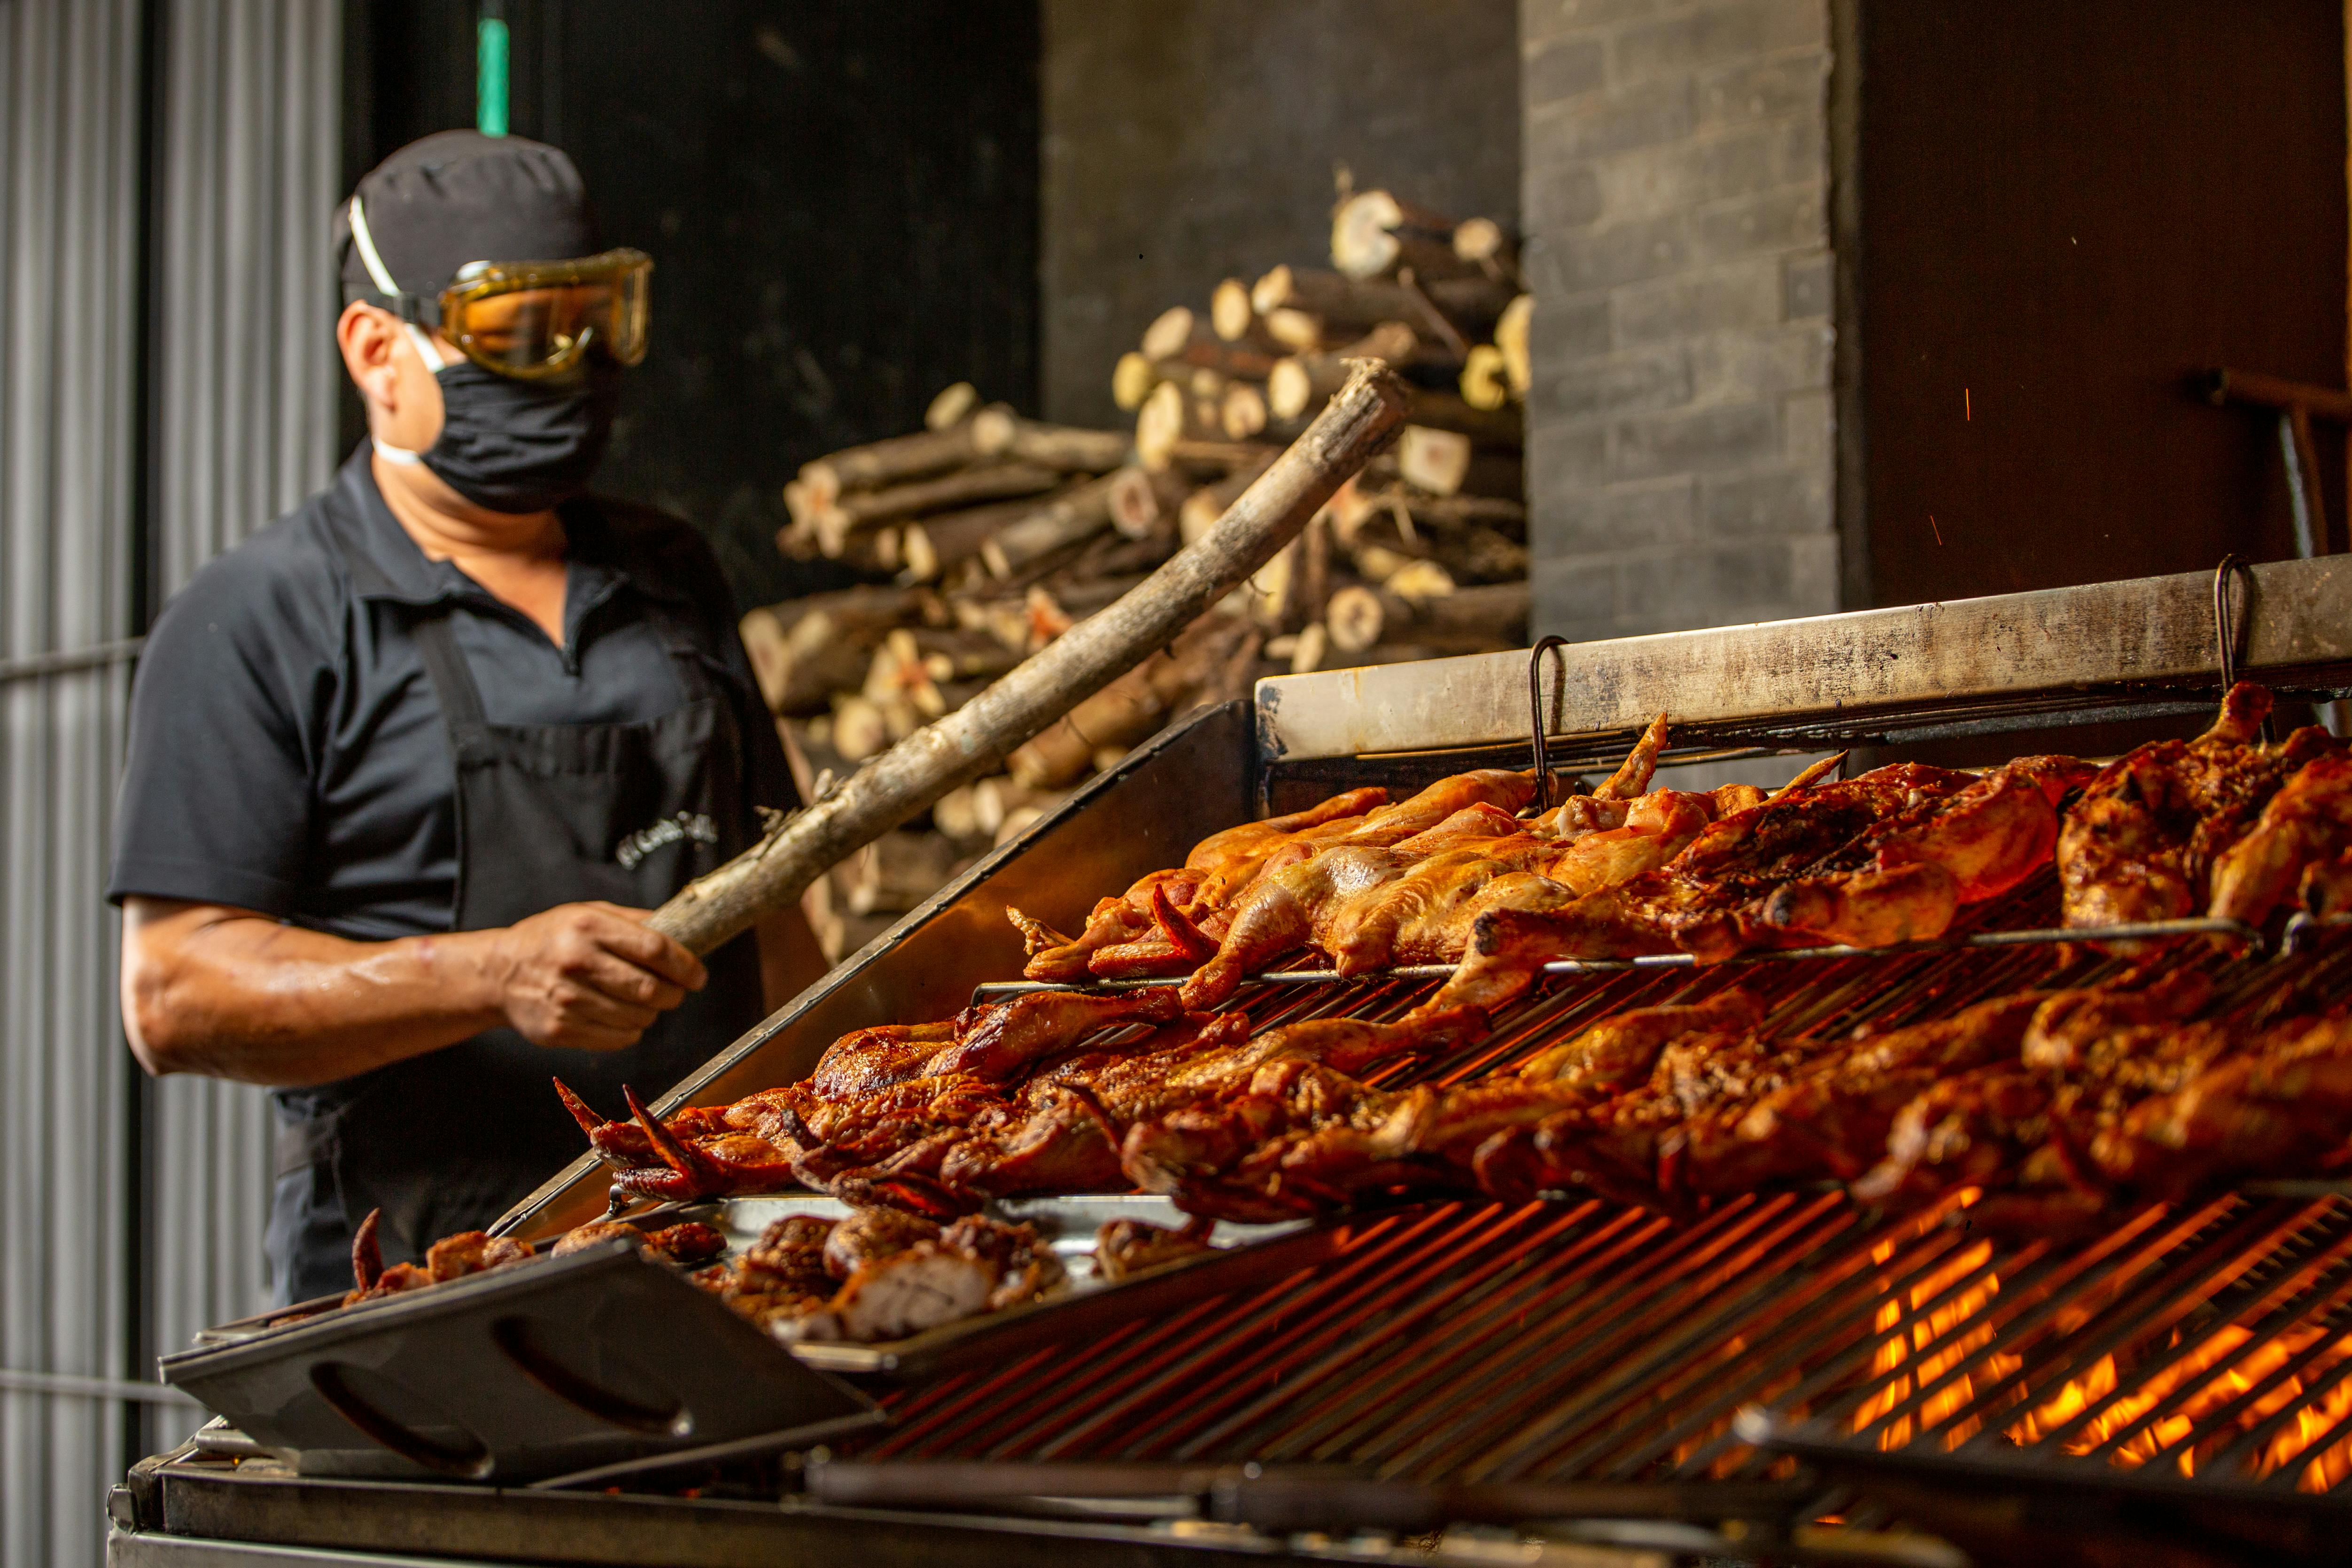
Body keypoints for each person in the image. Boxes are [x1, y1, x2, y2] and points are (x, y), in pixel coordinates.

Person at [109, 131, 827, 1305]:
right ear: (377, 350)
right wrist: (492, 975)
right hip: (423, 1280)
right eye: (519, 333)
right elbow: (175, 991)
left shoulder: (670, 570)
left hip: (717, 1245)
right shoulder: (257, 616)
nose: (572, 363)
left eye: (594, 320)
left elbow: (780, 906)